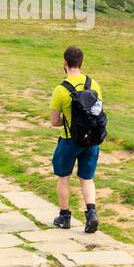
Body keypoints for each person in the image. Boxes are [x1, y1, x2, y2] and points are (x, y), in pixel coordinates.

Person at [49, 45, 104, 232]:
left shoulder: (60, 90)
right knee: (86, 178)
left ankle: (64, 216)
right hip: (91, 139)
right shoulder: (94, 84)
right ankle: (91, 213)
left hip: (69, 139)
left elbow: (54, 121)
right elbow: (97, 112)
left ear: (65, 62)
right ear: (81, 63)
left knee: (63, 177)